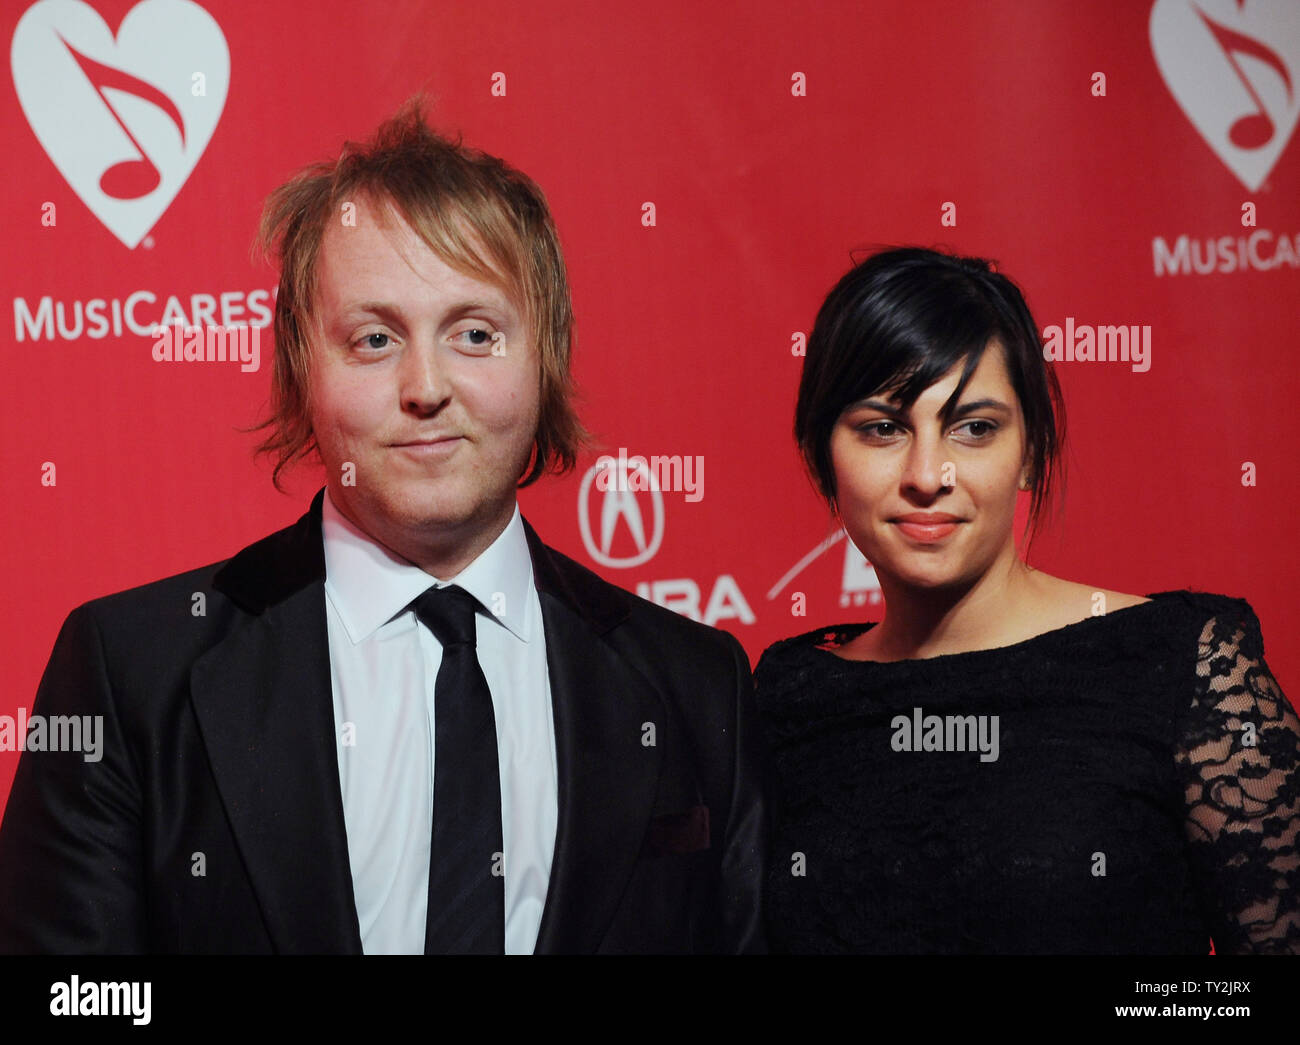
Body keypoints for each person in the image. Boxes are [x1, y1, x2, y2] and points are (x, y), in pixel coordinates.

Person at [0, 100, 765, 954]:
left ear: (545, 356)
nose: (425, 385)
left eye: (475, 333)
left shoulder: (699, 686)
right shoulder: (132, 671)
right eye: (373, 339)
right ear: (300, 368)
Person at [756, 246, 1299, 954]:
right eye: (883, 428)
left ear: (1033, 450)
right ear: (823, 450)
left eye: (973, 427)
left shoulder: (1180, 663)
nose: (929, 473)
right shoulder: (786, 695)